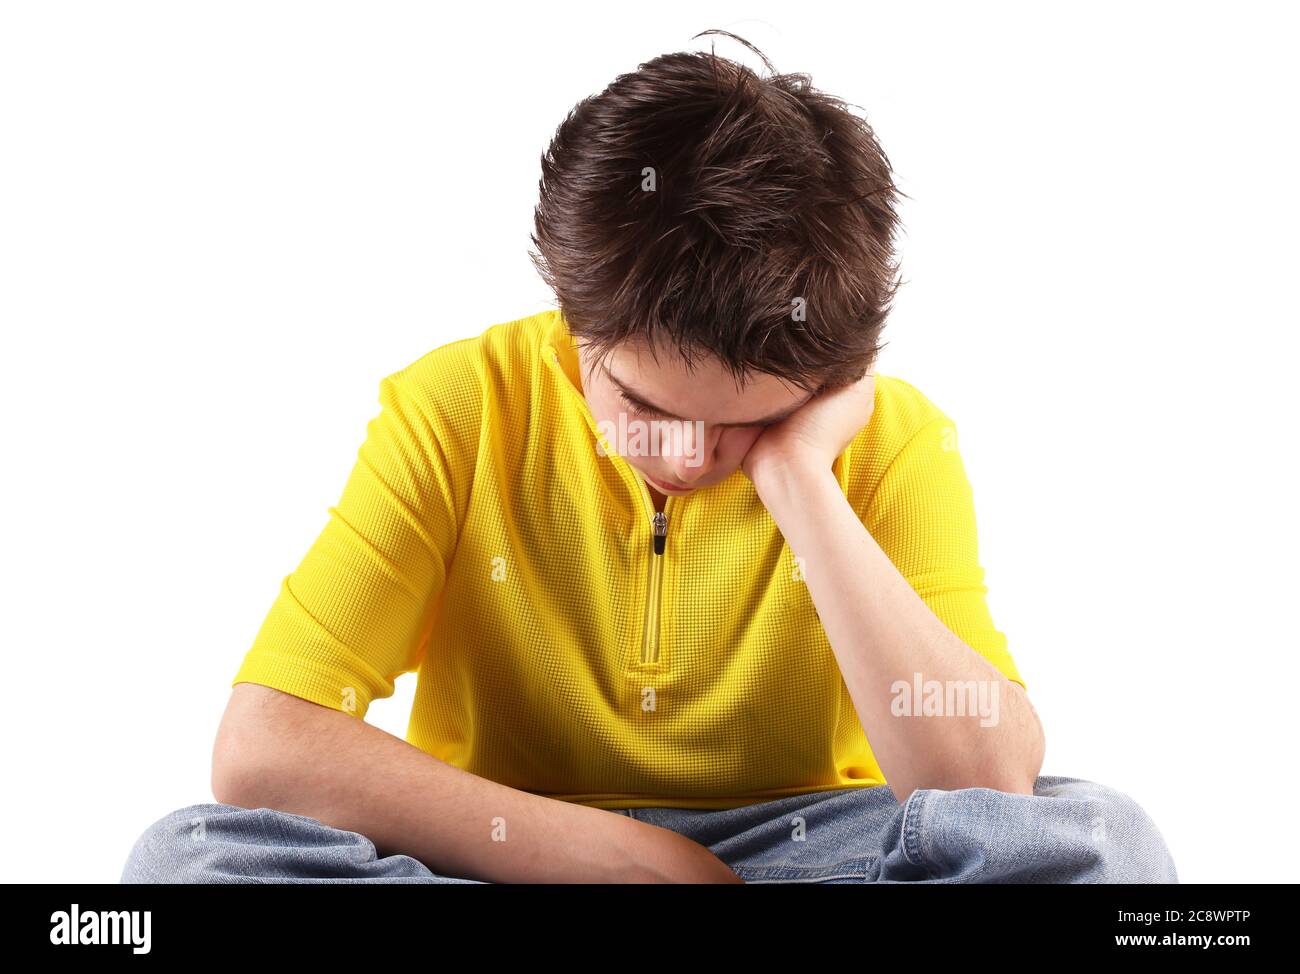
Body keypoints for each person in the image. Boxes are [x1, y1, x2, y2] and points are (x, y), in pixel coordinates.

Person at [121, 32, 1177, 884]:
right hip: (503, 852)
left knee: (1104, 841)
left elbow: (985, 781)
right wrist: (625, 856)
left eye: (749, 423)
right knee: (186, 861)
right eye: (643, 404)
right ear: (573, 318)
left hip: (817, 853)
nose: (687, 455)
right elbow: (265, 747)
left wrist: (800, 480)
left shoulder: (893, 439)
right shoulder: (458, 404)